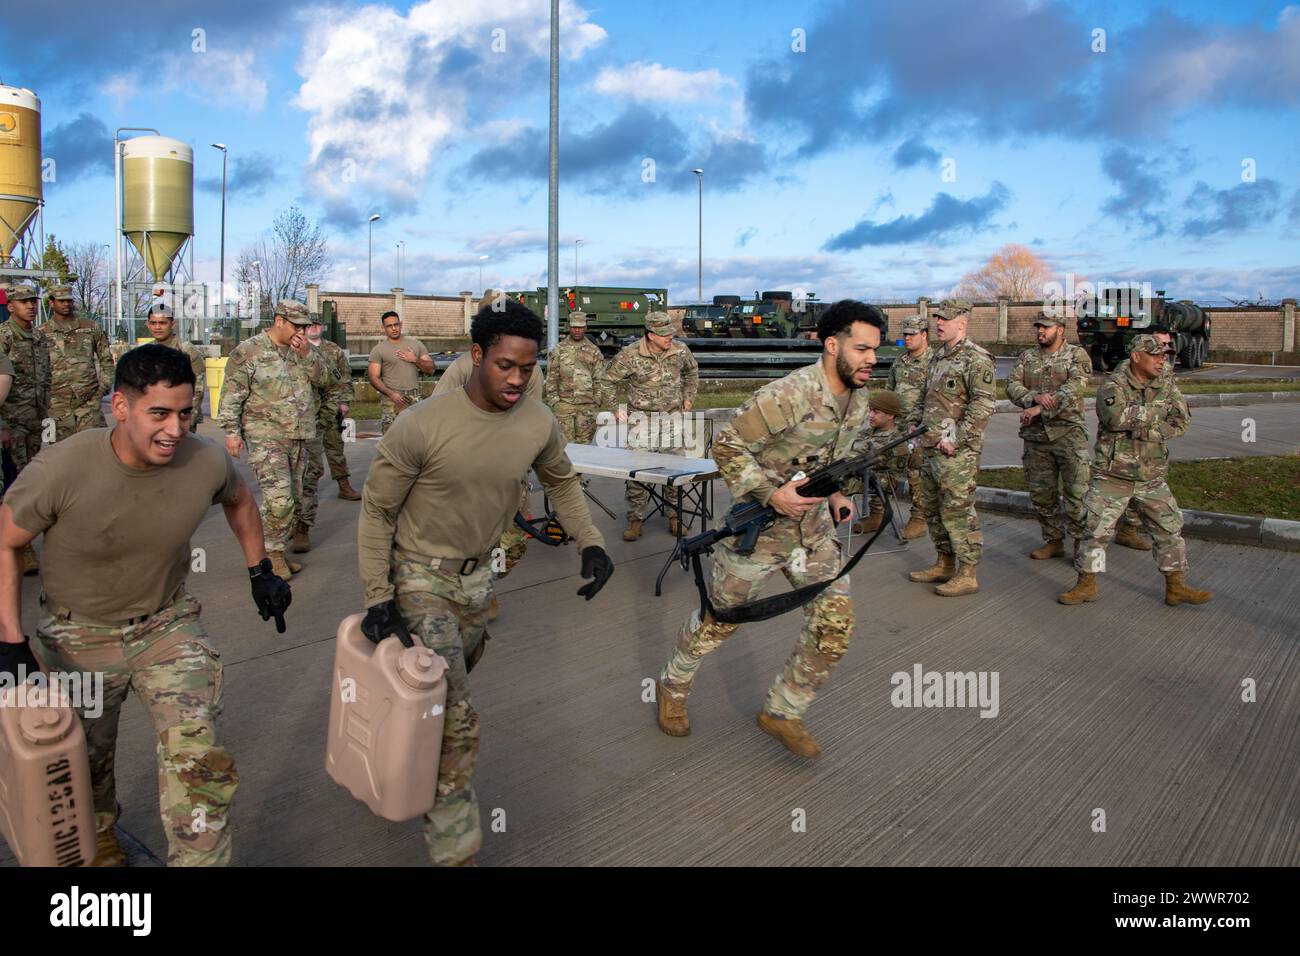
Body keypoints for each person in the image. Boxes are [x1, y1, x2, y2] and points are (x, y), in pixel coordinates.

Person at [0, 344, 290, 867]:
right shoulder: (61, 468)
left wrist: (259, 570)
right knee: (83, 763)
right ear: (120, 407)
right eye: (158, 413)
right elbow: (5, 540)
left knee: (196, 757)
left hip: (165, 626)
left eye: (185, 413)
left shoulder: (204, 459)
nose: (175, 429)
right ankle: (99, 838)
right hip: (78, 638)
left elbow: (241, 498)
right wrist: (9, 641)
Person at [357, 298, 613, 866]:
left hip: (479, 582)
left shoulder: (538, 421)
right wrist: (379, 596)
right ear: (477, 356)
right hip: (420, 577)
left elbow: (563, 483)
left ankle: (387, 762)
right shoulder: (420, 425)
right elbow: (375, 512)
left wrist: (591, 541)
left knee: (424, 705)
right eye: (505, 366)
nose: (518, 379)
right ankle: (456, 852)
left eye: (528, 367)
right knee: (454, 718)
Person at [656, 300, 880, 759]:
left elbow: (831, 462)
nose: (872, 359)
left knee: (834, 624)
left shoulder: (858, 399)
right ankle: (672, 685)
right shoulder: (792, 394)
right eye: (862, 349)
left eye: (876, 349)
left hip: (813, 532)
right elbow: (727, 444)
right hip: (759, 530)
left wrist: (837, 495)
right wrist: (770, 494)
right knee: (720, 621)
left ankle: (783, 711)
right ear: (832, 344)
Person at [1059, 335, 1211, 607]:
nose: (1161, 359)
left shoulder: (1165, 381)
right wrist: (1157, 411)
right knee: (1094, 532)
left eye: (1163, 355)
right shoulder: (1112, 386)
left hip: (1152, 475)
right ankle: (1086, 585)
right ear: (1136, 356)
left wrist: (1145, 423)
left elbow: (1181, 421)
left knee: (1169, 530)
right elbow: (1116, 418)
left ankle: (1175, 586)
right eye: (1154, 355)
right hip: (1113, 475)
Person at [217, 300, 338, 580]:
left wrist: (308, 354)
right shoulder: (250, 351)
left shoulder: (305, 350)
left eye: (305, 327)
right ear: (279, 320)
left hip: (299, 434)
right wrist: (231, 432)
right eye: (296, 326)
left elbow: (329, 380)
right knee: (279, 500)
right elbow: (232, 393)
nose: (301, 332)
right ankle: (269, 556)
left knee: (293, 500)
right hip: (265, 435)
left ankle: (276, 553)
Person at [905, 299, 997, 597]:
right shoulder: (937, 357)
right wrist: (913, 424)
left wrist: (955, 437)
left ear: (963, 323)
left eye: (946, 319)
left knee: (957, 510)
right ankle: (944, 563)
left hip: (957, 452)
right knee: (932, 509)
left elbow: (983, 404)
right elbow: (925, 396)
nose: (939, 324)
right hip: (930, 445)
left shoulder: (976, 359)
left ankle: (967, 573)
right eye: (937, 319)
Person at [602, 311, 699, 540]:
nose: (669, 338)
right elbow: (607, 380)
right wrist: (616, 408)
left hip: (671, 418)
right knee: (638, 471)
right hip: (641, 421)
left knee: (674, 469)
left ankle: (674, 516)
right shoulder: (631, 354)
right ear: (650, 335)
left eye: (671, 333)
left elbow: (692, 372)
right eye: (664, 334)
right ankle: (636, 519)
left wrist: (688, 396)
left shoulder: (680, 350)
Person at [1004, 311, 1093, 559]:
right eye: (1038, 327)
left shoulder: (1077, 355)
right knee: (1042, 495)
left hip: (1068, 435)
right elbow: (1011, 385)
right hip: (1036, 438)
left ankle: (1082, 548)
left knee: (1077, 497)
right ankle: (1054, 540)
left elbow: (1074, 389)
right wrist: (1032, 397)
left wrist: (1040, 408)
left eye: (1046, 327)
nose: (1040, 331)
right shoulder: (1028, 356)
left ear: (1060, 330)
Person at [294, 317, 358, 553]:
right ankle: (292, 523)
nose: (313, 327)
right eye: (309, 324)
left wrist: (343, 402)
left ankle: (343, 484)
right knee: (299, 471)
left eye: (317, 324)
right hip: (298, 417)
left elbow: (343, 377)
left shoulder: (333, 350)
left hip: (327, 411)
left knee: (333, 451)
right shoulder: (294, 348)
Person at [1112, 327, 1177, 551]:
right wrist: (1156, 415)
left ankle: (1129, 530)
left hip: (1154, 451)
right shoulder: (1122, 375)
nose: (1163, 354)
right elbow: (1117, 418)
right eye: (1158, 347)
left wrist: (1152, 431)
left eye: (1166, 348)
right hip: (1122, 455)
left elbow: (1180, 416)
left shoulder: (1166, 373)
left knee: (1156, 503)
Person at [0, 283, 50, 574]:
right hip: (12, 423)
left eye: (33, 301)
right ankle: (21, 547)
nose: (30, 305)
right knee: (15, 484)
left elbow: (46, 376)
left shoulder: (39, 337)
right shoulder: (3, 337)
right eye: (24, 302)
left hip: (35, 420)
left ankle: (22, 540)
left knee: (31, 480)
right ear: (11, 306)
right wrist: (3, 424)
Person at [43, 284, 115, 441]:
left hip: (88, 403)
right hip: (56, 406)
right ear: (51, 303)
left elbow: (107, 361)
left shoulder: (90, 327)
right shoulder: (41, 333)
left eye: (69, 300)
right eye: (61, 300)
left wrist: (101, 391)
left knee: (95, 449)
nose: (66, 304)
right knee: (58, 454)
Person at [887, 313, 934, 539]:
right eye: (904, 334)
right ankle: (878, 514)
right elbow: (890, 390)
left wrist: (921, 424)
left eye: (911, 334)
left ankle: (918, 519)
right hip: (897, 427)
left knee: (916, 473)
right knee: (886, 469)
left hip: (919, 428)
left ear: (924, 335)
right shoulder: (900, 361)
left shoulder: (934, 362)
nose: (906, 338)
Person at [849, 390, 911, 534]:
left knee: (830, 487)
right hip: (858, 475)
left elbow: (891, 475)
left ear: (890, 415)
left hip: (879, 480)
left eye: (876, 412)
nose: (870, 415)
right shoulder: (866, 432)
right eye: (870, 410)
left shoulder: (896, 440)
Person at [543, 312, 605, 444]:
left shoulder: (593, 351)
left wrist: (596, 401)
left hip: (587, 406)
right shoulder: (559, 350)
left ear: (586, 328)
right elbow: (551, 377)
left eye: (581, 327)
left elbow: (599, 379)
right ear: (569, 327)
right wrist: (554, 402)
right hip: (564, 405)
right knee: (564, 446)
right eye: (574, 327)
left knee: (584, 446)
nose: (577, 330)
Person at [146, 302, 206, 433]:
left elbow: (197, 390)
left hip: (179, 417)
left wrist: (187, 421)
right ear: (147, 324)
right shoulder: (146, 352)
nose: (157, 327)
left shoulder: (187, 351)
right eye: (153, 323)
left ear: (172, 324)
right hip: (153, 418)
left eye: (162, 323)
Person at [368, 311, 432, 434]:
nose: (394, 328)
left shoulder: (416, 345)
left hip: (414, 398)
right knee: (391, 440)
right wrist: (391, 394)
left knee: (416, 439)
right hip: (391, 400)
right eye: (389, 326)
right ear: (383, 328)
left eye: (396, 324)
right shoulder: (378, 350)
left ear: (401, 324)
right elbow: (373, 377)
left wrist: (415, 359)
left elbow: (430, 369)